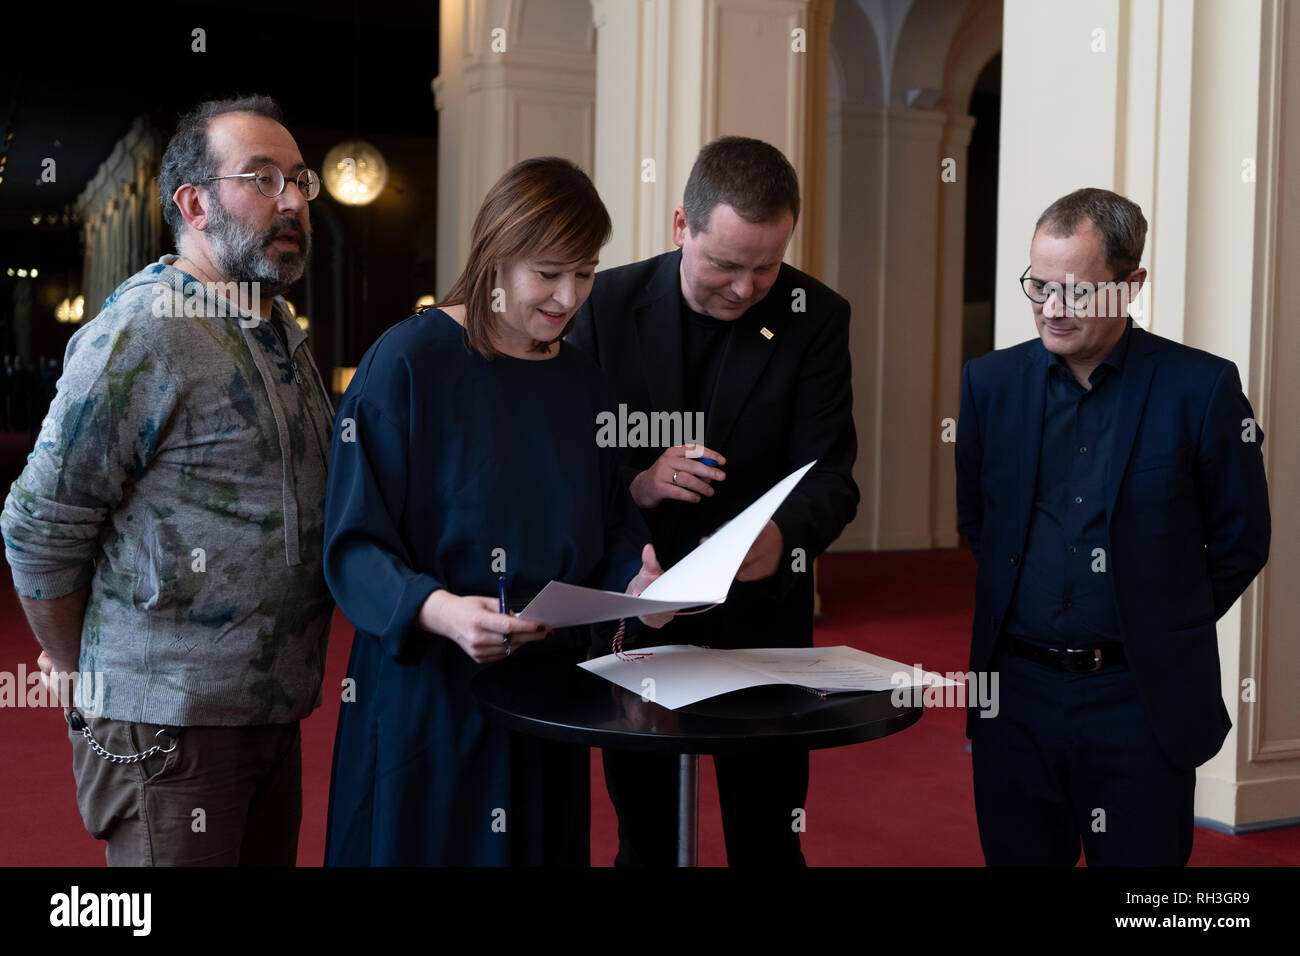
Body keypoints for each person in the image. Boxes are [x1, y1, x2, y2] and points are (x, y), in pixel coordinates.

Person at [2, 94, 335, 866]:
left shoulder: (278, 324)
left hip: (269, 712)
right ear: (192, 202)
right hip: (169, 729)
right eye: (262, 178)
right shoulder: (147, 327)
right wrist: (80, 673)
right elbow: (36, 527)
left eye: (299, 180)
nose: (292, 201)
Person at [322, 156, 668, 867]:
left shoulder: (583, 385)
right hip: (431, 693)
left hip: (548, 689)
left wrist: (637, 590)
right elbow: (353, 542)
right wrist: (441, 610)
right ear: (495, 258)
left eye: (586, 271)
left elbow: (609, 528)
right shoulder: (409, 361)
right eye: (548, 273)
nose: (570, 297)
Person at [955, 187, 1271, 866]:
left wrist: (1159, 620)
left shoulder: (1202, 388)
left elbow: (1242, 537)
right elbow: (980, 524)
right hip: (1016, 696)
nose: (1051, 309)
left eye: (1074, 291)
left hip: (1139, 699)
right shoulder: (989, 384)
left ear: (1132, 285)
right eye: (1037, 287)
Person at [568, 136, 859, 866]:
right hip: (642, 616)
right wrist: (637, 480)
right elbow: (565, 463)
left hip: (764, 622)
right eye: (726, 264)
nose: (745, 287)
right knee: (648, 840)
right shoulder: (604, 303)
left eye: (766, 267)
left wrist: (783, 537)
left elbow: (832, 479)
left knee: (769, 840)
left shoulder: (814, 314)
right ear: (680, 227)